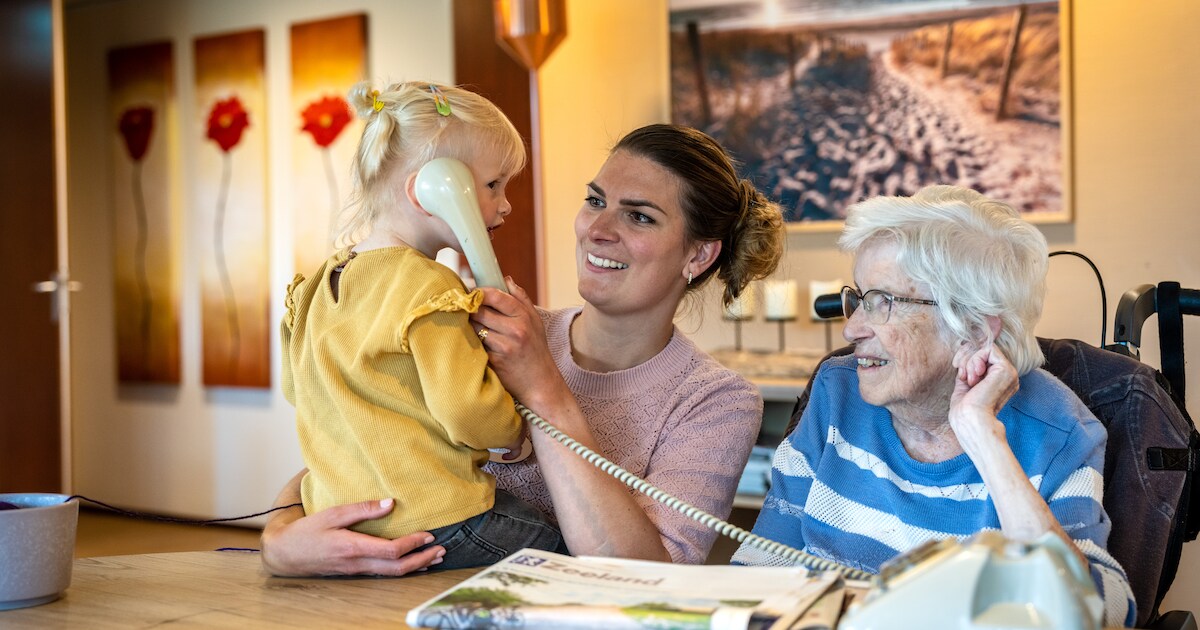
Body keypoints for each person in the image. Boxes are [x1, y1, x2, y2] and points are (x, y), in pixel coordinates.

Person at [261, 123, 786, 576]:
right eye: (596, 201)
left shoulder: (718, 402)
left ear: (699, 254)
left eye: (639, 216)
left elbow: (644, 574)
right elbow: (361, 446)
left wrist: (542, 386)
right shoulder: (492, 331)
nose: (598, 230)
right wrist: (281, 536)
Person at [731, 185, 1136, 627]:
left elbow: (1100, 614)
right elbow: (759, 566)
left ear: (974, 330)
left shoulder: (1059, 434)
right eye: (859, 299)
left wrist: (982, 435)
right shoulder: (837, 392)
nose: (851, 329)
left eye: (881, 302)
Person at [279, 80, 564, 571]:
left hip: (342, 522)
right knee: (558, 545)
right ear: (433, 190)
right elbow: (466, 410)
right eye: (494, 185)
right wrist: (514, 428)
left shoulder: (314, 289)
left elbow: (296, 390)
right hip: (440, 521)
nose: (506, 203)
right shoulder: (430, 287)